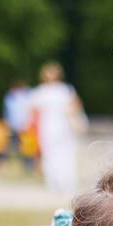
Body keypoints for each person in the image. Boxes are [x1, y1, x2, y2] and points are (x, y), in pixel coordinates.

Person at [29, 62, 86, 194]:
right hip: (49, 128)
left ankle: (67, 182)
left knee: (65, 155)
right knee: (51, 155)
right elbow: (33, 112)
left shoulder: (63, 89)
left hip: (63, 127)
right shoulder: (42, 91)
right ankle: (55, 183)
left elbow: (76, 105)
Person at [3, 79, 33, 169]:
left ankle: (29, 164)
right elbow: (8, 113)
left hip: (26, 125)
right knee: (18, 146)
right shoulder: (10, 98)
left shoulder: (27, 95)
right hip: (16, 126)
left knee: (28, 146)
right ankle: (24, 164)